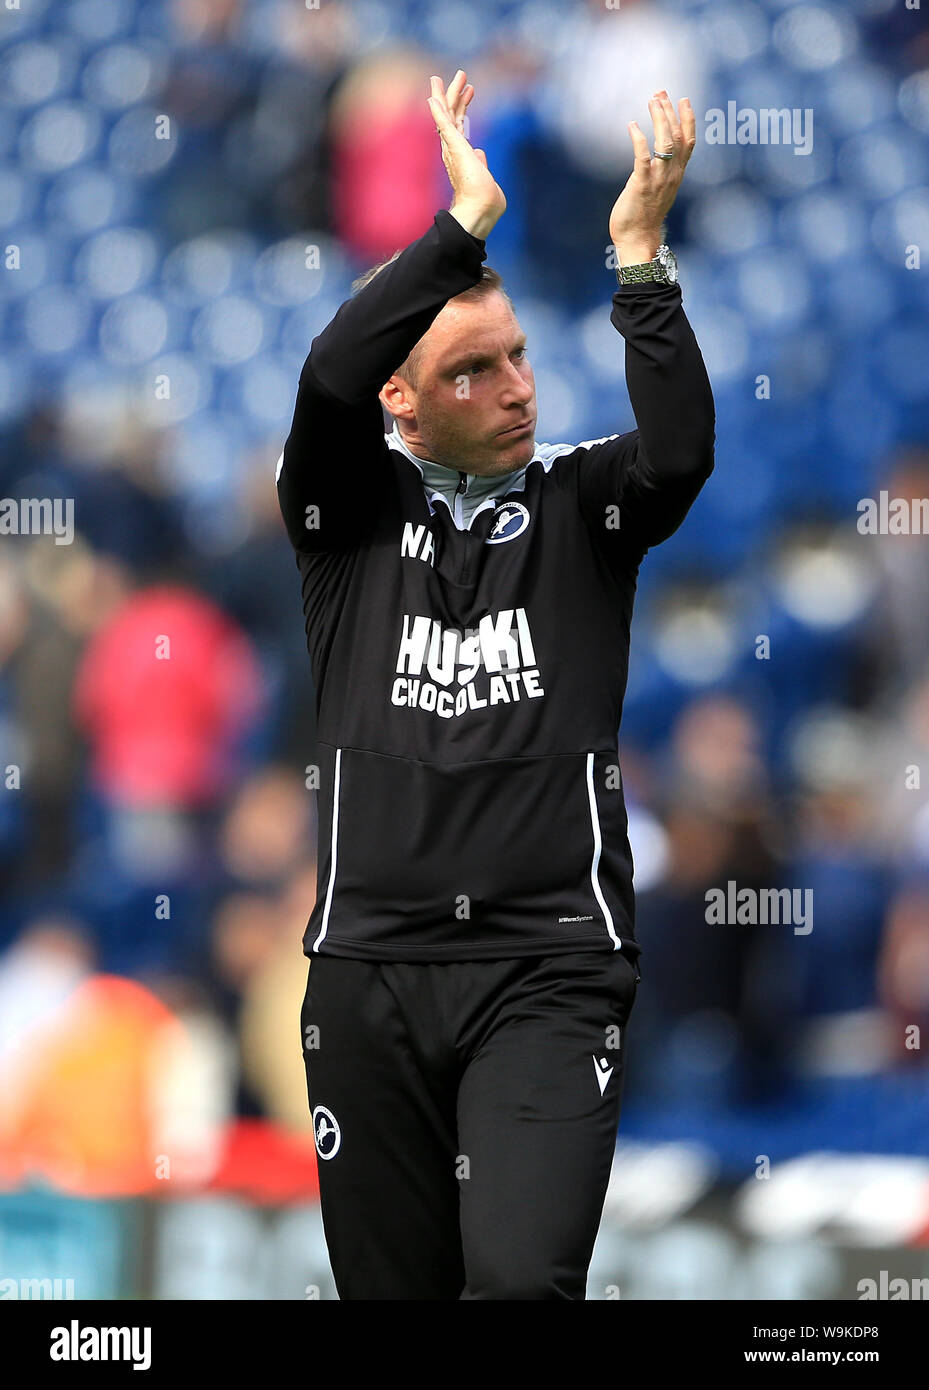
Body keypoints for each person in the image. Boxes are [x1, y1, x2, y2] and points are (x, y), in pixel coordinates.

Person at [276, 69, 714, 1299]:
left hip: (550, 964)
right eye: (473, 369)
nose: (518, 387)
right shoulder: (343, 512)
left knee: (520, 1286)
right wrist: (457, 230)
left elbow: (680, 452)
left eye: (518, 356)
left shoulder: (581, 503)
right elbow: (326, 377)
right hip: (366, 967)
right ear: (401, 401)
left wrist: (640, 262)